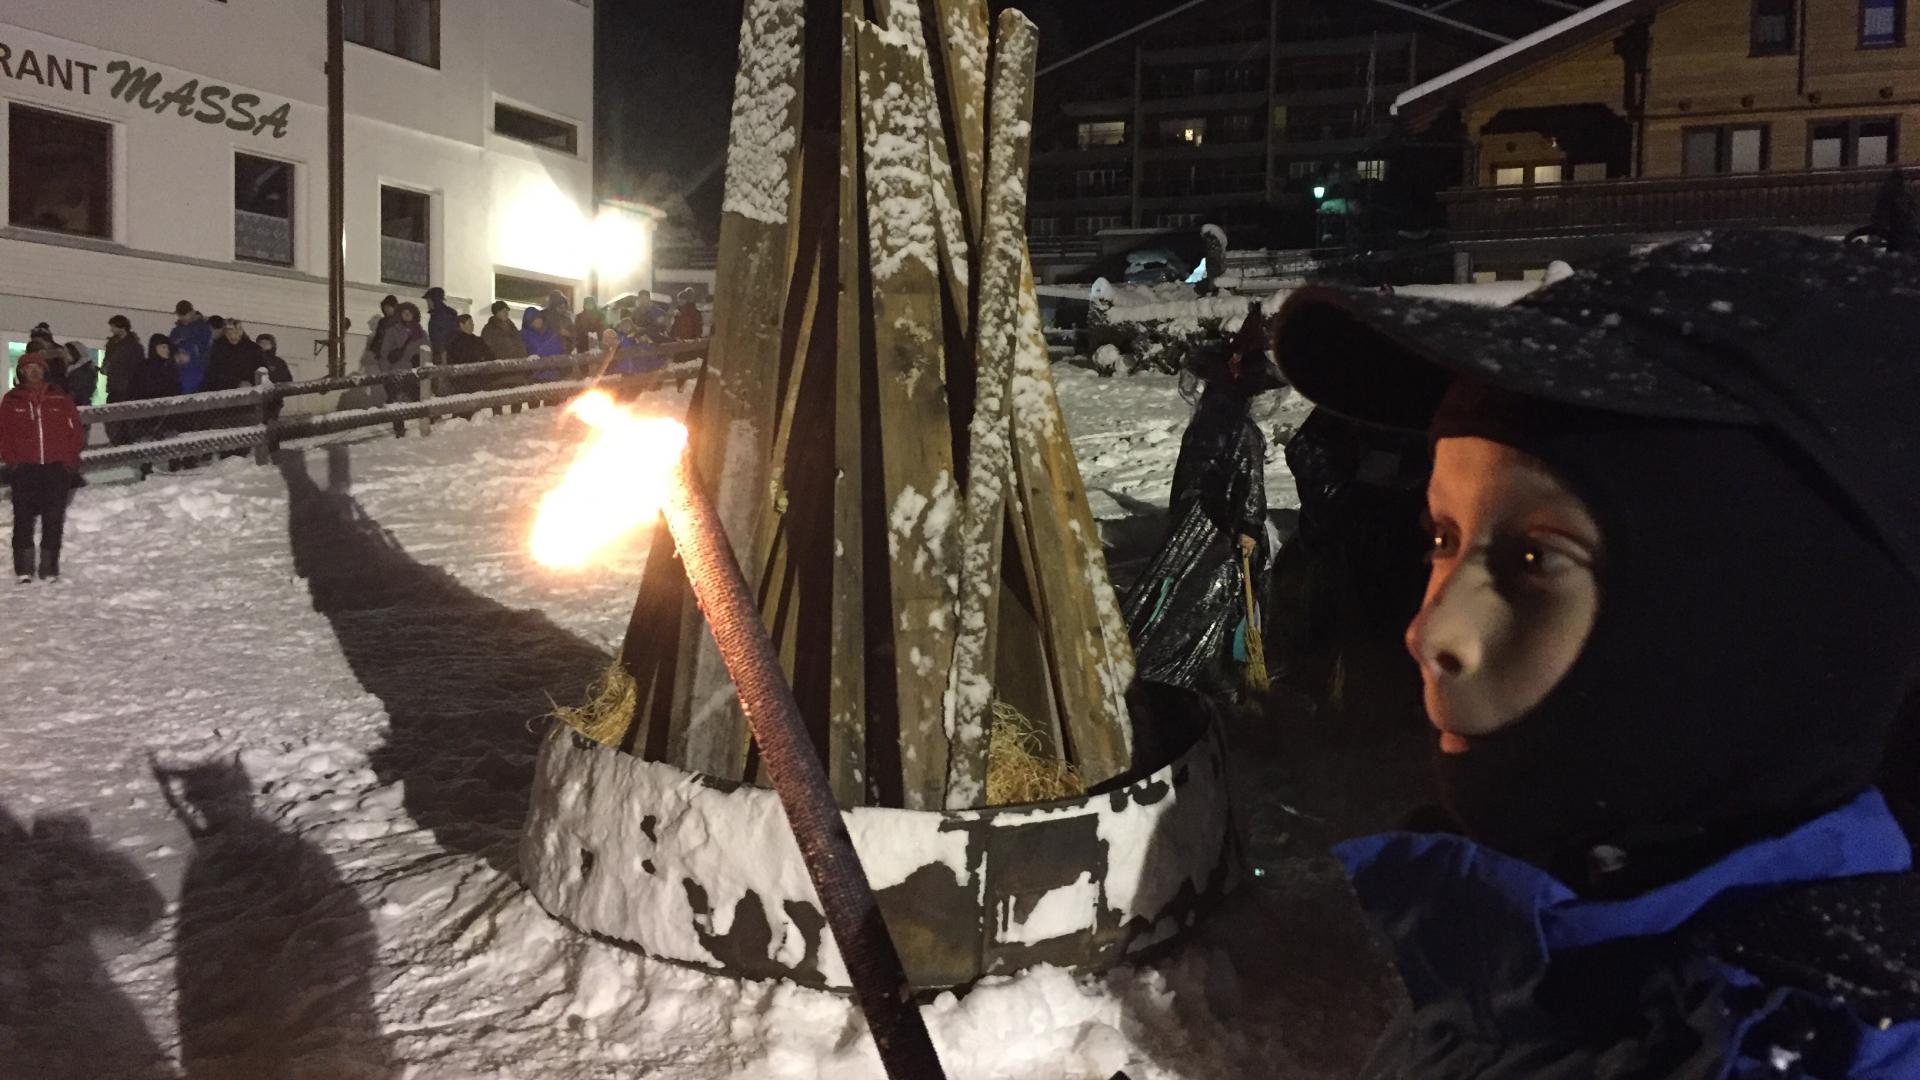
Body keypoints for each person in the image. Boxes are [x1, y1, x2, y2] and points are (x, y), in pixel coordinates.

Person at [1271, 231, 1920, 1077]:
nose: (1431, 632)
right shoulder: (1544, 938)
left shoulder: (1817, 1046)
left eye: (1533, 559)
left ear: (1772, 613)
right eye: (1442, 537)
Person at [1120, 304, 1277, 694]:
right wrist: (1249, 527)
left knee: (1176, 592)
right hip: (1221, 532)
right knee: (1215, 598)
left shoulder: (1203, 426)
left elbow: (1186, 480)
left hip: (1191, 524)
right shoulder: (1243, 433)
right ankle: (1210, 673)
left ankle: (1156, 660)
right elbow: (1248, 482)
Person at [1, 351, 84, 582]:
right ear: (21, 372)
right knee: (23, 519)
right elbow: (4, 433)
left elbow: (75, 431)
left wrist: (68, 462)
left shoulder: (60, 397)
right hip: (24, 469)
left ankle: (49, 569)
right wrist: (13, 462)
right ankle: (24, 569)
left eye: (37, 367)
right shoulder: (12, 400)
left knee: (53, 519)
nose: (33, 371)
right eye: (28, 368)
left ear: (44, 370)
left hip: (55, 468)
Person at [103, 314, 143, 444]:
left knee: (124, 419)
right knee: (112, 418)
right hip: (114, 387)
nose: (111, 330)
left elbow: (137, 368)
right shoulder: (112, 345)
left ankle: (124, 442)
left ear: (121, 327)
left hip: (127, 388)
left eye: (113, 327)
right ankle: (117, 441)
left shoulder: (132, 347)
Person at [168, 301, 214, 395]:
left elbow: (206, 352)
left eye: (185, 314)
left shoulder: (203, 329)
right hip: (180, 375)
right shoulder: (176, 331)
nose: (183, 318)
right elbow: (170, 348)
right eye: (180, 315)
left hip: (198, 373)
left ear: (192, 312)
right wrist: (176, 356)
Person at [423, 286, 459, 360]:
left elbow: (442, 337)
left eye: (429, 300)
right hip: (445, 354)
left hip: (443, 355)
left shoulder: (441, 315)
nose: (428, 303)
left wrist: (443, 357)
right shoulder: (441, 314)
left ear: (434, 300)